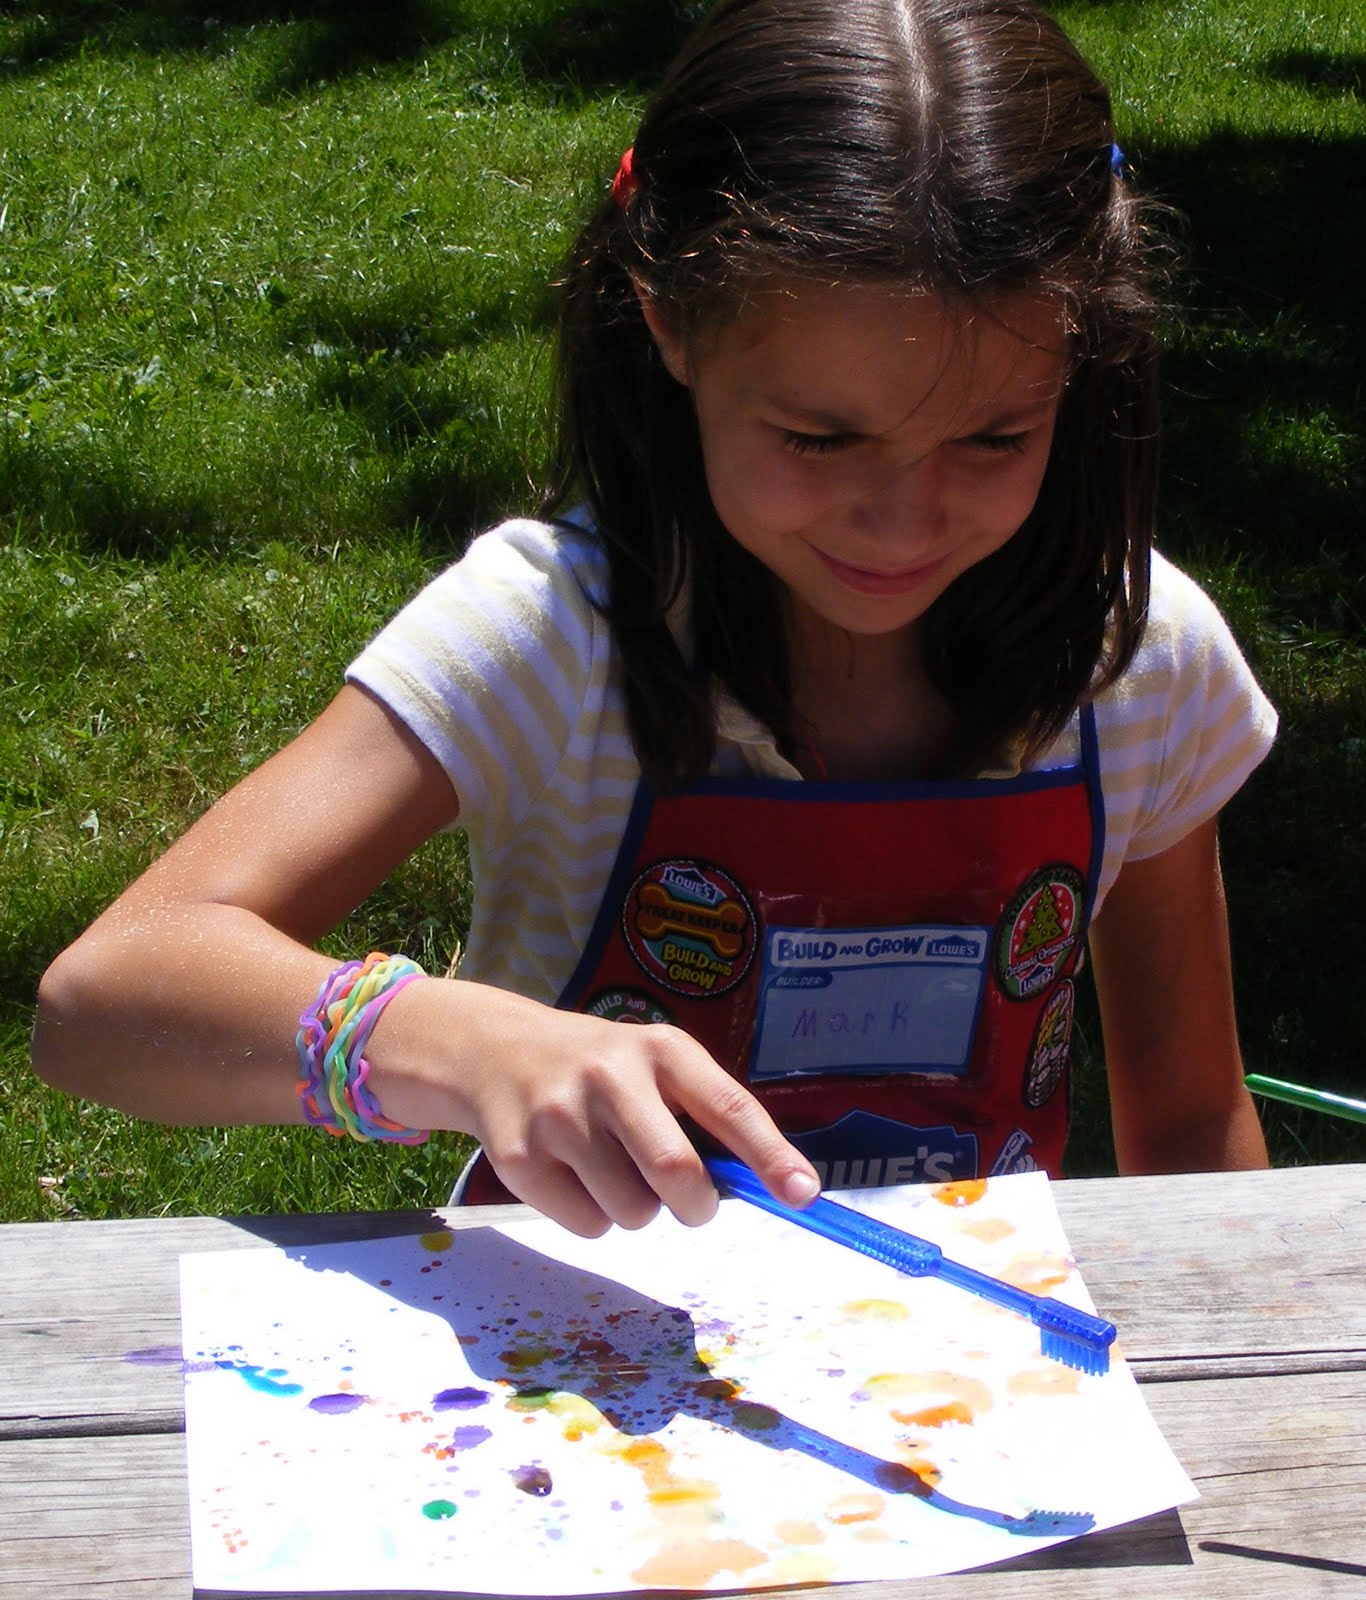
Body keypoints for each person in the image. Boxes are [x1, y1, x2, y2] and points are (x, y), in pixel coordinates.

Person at [32, 0, 1276, 1238]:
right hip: (573, 1377)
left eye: (995, 437)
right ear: (671, 321)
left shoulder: (1137, 661)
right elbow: (107, 992)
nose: (902, 525)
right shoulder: (550, 634)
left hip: (962, 1389)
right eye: (817, 437)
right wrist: (451, 1040)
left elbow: (1185, 1115)